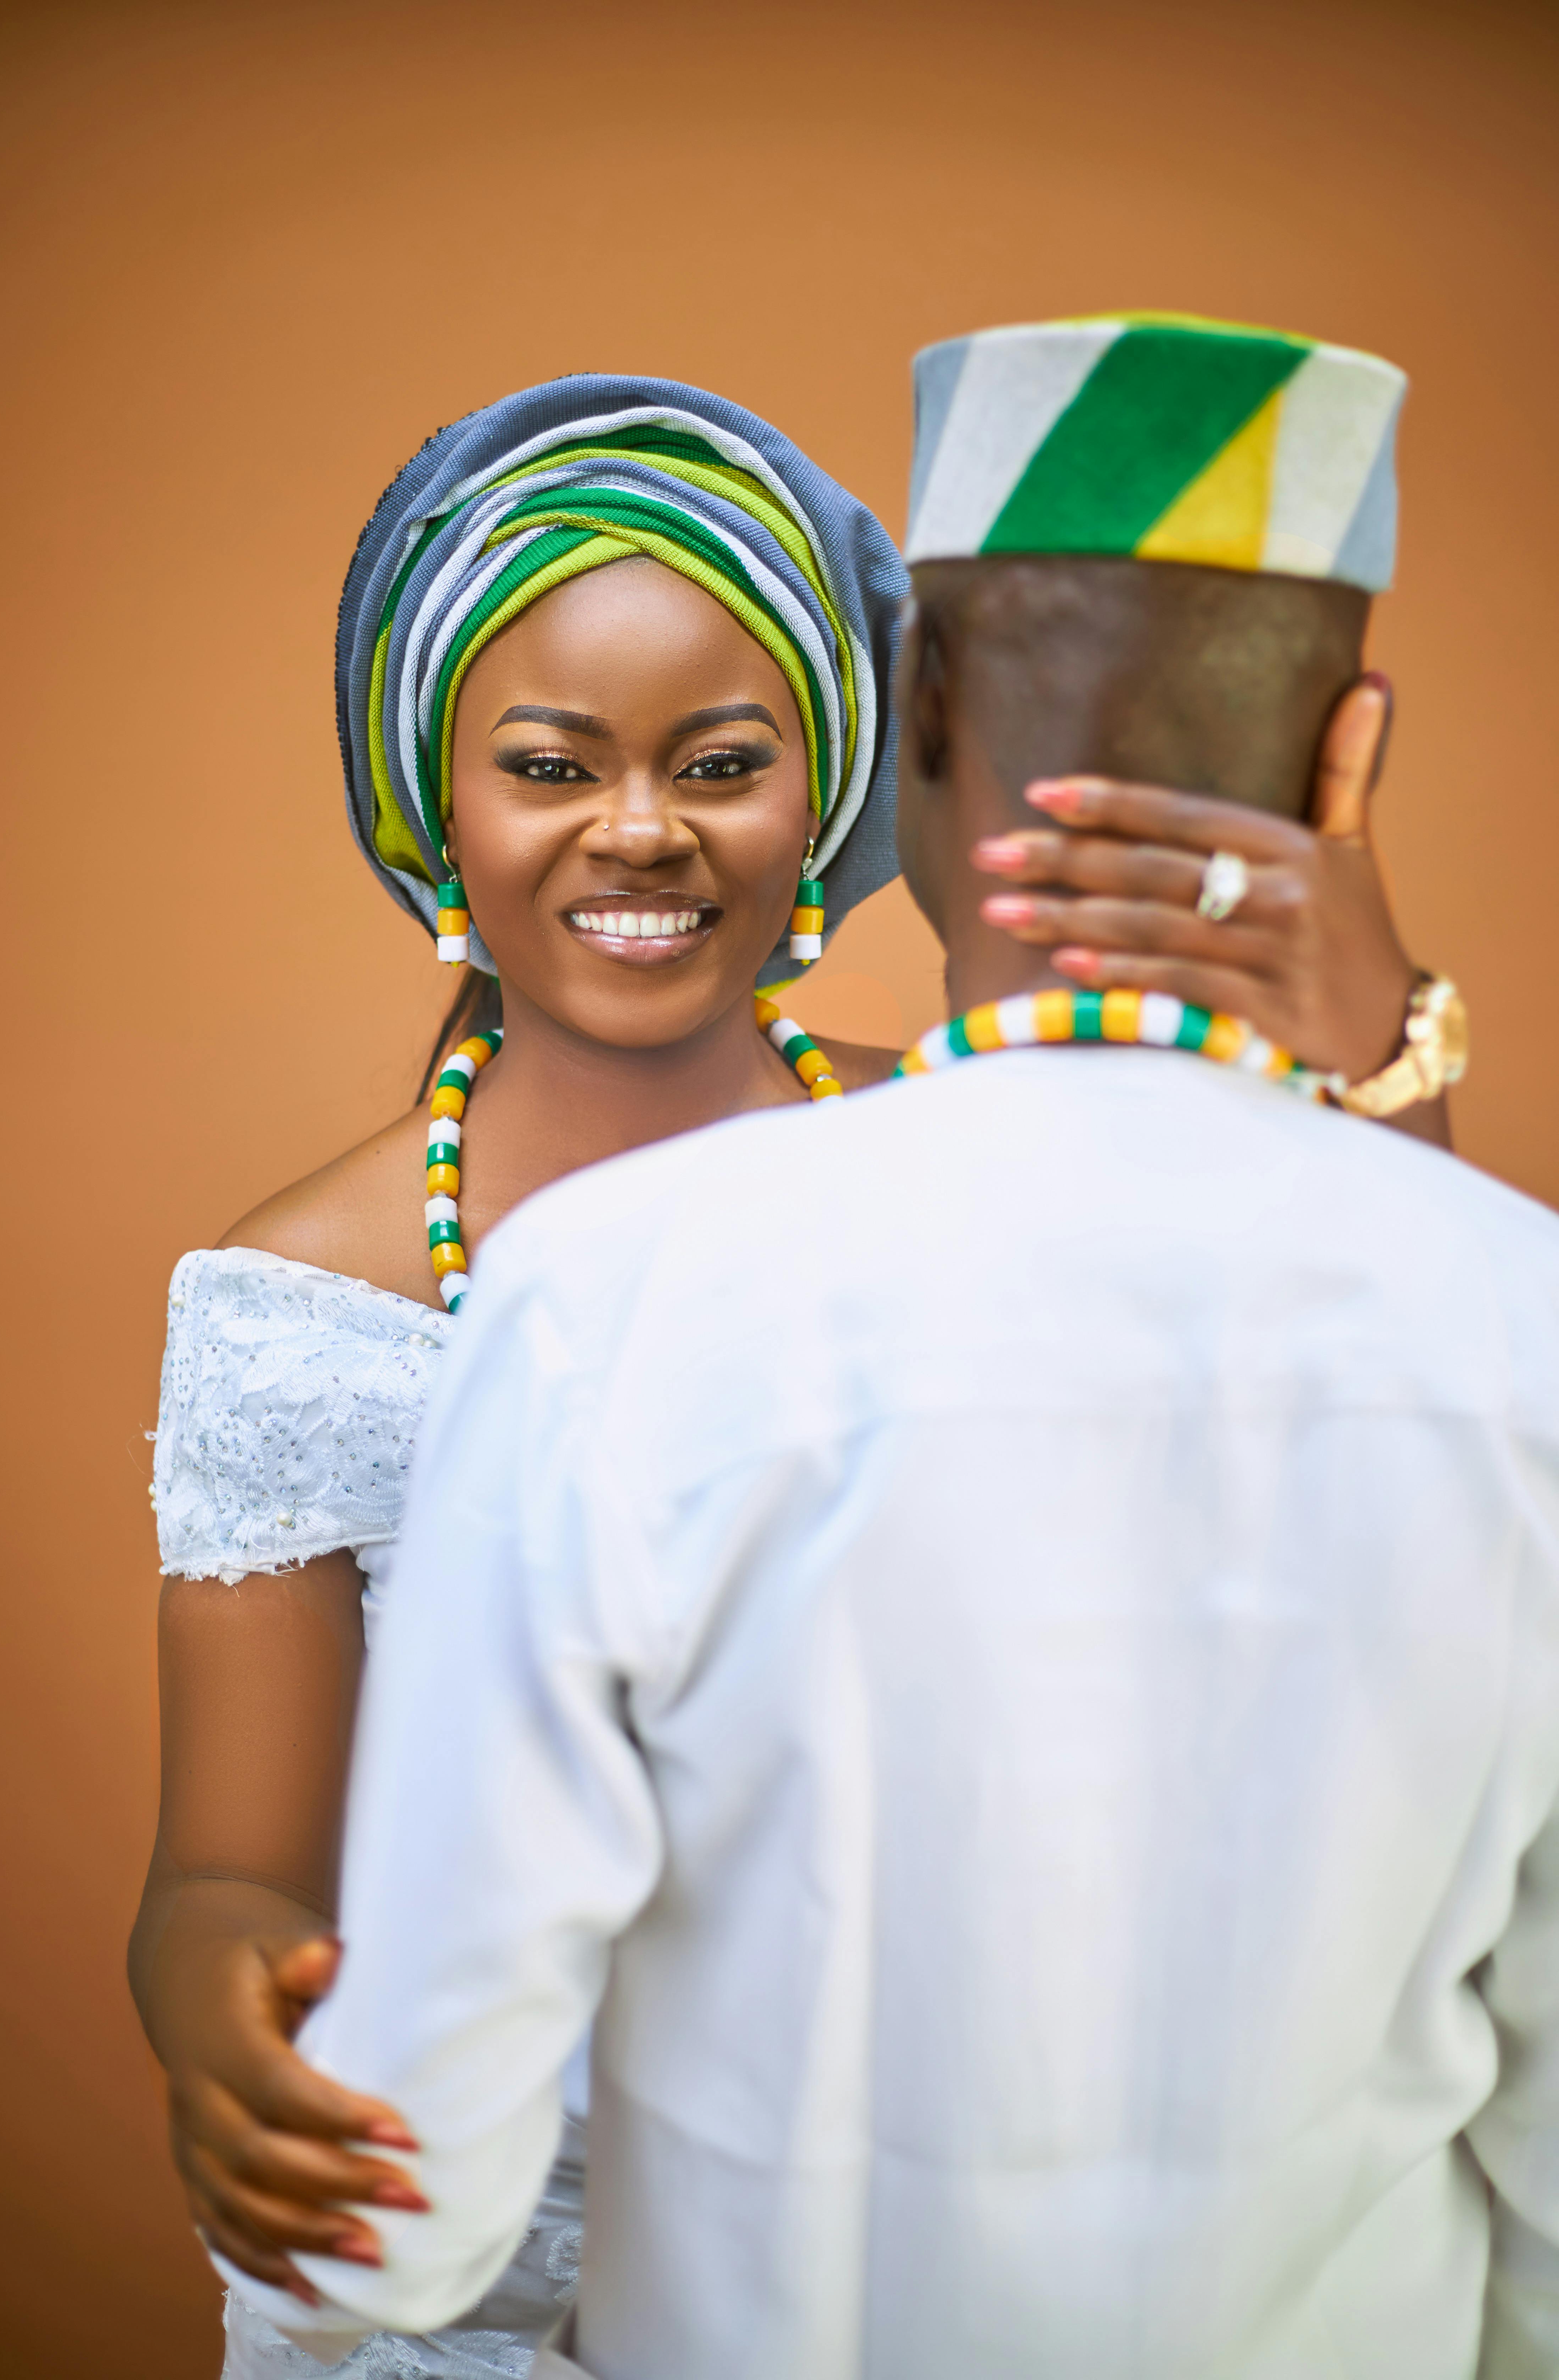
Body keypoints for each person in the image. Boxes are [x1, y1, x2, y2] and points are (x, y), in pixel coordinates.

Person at [241, 317, 1559, 2380]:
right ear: (1343, 752)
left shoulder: (606, 1297)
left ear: (906, 710)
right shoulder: (1525, 1331)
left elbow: (403, 2221)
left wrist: (356, 2253)